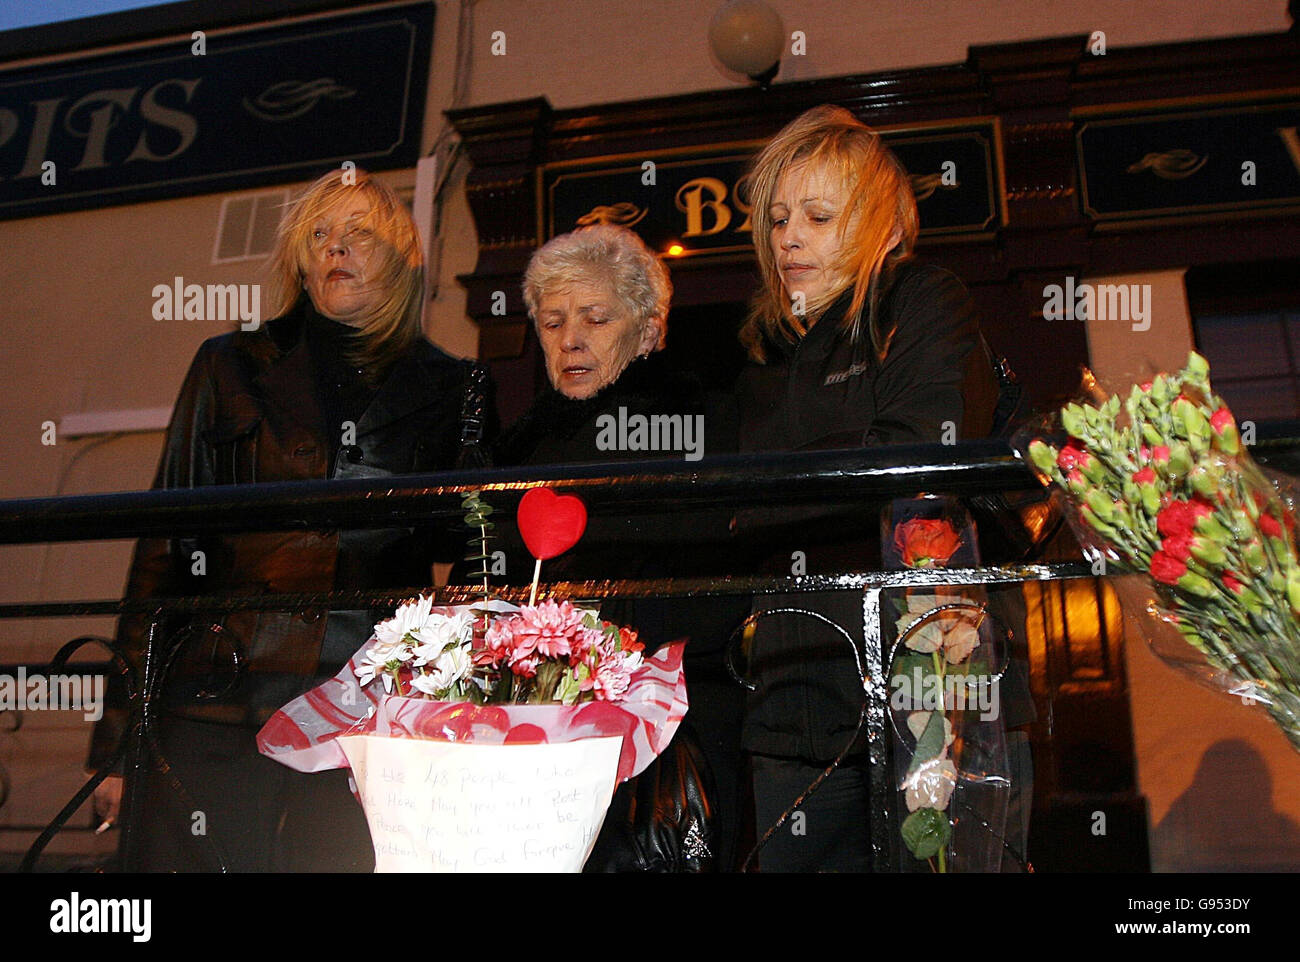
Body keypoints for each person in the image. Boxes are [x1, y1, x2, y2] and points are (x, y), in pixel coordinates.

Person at [90, 167, 490, 871]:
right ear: (301, 263)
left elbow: (478, 560)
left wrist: (439, 693)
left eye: (359, 233)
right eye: (320, 235)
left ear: (402, 257)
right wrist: (121, 740)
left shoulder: (453, 388)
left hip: (364, 717)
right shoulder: (228, 364)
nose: (336, 247)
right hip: (217, 701)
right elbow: (166, 549)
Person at [733, 105, 1003, 871]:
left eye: (818, 216)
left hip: (924, 685)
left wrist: (762, 495)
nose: (789, 237)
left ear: (882, 224)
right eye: (779, 218)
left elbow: (922, 448)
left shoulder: (921, 298)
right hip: (792, 700)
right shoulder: (764, 352)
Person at [493, 224, 732, 870]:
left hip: (673, 738)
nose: (569, 339)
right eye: (551, 321)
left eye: (595, 318)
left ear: (649, 330)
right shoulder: (515, 454)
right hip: (541, 751)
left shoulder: (698, 428)